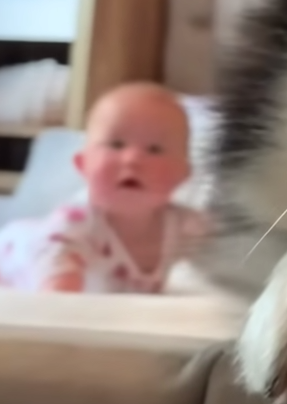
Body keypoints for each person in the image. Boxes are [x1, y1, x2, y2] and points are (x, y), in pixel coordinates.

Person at [0, 82, 209, 293]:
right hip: (12, 261)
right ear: (83, 164)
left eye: (155, 149)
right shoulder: (73, 226)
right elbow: (55, 299)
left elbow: (223, 262)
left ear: (183, 174)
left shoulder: (188, 227)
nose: (132, 159)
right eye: (116, 145)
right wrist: (61, 286)